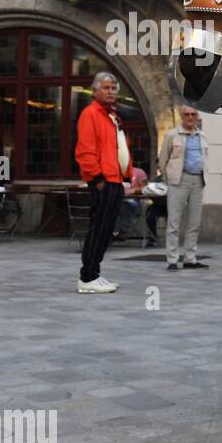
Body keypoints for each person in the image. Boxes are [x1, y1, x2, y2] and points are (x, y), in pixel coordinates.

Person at [74, 71, 134, 293]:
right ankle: (87, 277)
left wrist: (126, 175)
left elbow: (117, 147)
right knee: (98, 229)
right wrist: (97, 178)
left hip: (115, 179)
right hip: (103, 180)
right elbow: (85, 150)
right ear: (95, 90)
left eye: (113, 88)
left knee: (107, 230)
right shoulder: (90, 114)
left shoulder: (111, 115)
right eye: (106, 88)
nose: (111, 92)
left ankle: (94, 273)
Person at [159, 105, 209, 269]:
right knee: (174, 222)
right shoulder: (171, 135)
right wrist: (169, 180)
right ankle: (172, 259)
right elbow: (163, 160)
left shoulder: (203, 136)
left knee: (194, 223)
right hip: (179, 181)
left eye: (193, 114)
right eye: (186, 114)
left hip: (198, 181)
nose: (190, 117)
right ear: (182, 116)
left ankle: (190, 258)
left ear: (197, 116)